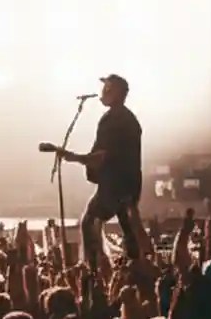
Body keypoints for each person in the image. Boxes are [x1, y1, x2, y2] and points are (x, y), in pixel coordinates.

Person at [53, 74, 149, 268]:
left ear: (117, 94)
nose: (102, 93)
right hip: (128, 184)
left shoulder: (113, 120)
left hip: (114, 185)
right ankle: (138, 265)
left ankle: (94, 267)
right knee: (129, 228)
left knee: (90, 221)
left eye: (107, 89)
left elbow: (102, 155)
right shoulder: (129, 119)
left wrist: (74, 157)